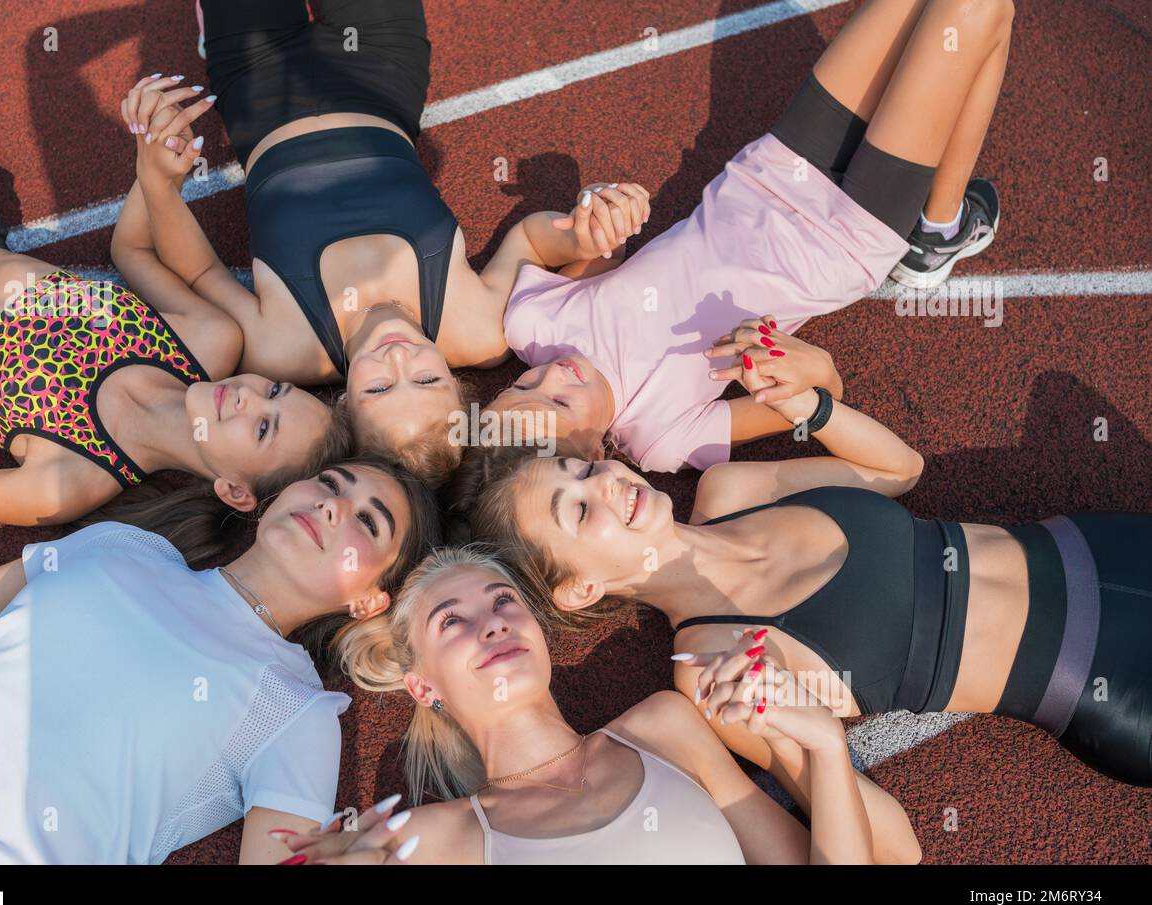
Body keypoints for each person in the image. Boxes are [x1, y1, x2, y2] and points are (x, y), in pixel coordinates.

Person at [453, 335, 1152, 794]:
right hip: (1108, 687)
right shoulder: (711, 670)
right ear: (581, 589)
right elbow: (845, 806)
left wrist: (811, 407)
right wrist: (810, 734)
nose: (604, 483)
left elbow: (900, 470)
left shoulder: (729, 491)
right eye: (577, 511)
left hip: (1094, 547)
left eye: (580, 467)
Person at [122, 0, 649, 482]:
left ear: (345, 406)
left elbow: (200, 274)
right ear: (457, 386)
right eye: (426, 381)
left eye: (379, 388)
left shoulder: (286, 349)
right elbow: (533, 245)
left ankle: (212, 34)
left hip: (259, 84)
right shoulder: (476, 330)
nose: (399, 362)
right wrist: (585, 235)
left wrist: (157, 177)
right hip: (382, 72)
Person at [483, 0, 1013, 472]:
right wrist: (805, 367)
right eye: (558, 404)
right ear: (595, 453)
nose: (552, 377)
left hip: (771, 174)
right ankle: (938, 229)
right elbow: (812, 403)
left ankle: (938, 228)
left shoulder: (535, 326)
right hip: (844, 238)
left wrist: (599, 214)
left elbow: (601, 248)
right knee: (977, 8)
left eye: (524, 385)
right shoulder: (662, 439)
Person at [0, 458, 442, 864]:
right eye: (331, 483)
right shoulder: (119, 546)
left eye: (368, 521)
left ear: (368, 601)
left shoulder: (298, 712)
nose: (334, 506)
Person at [0, 85, 350, 526]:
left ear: (234, 489)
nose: (251, 396)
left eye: (264, 427)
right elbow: (130, 249)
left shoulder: (69, 481)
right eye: (276, 390)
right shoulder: (208, 339)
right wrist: (155, 165)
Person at [276, 547, 888, 864]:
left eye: (503, 602)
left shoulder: (664, 727)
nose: (492, 625)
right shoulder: (431, 837)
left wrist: (822, 745)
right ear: (423, 687)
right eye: (452, 621)